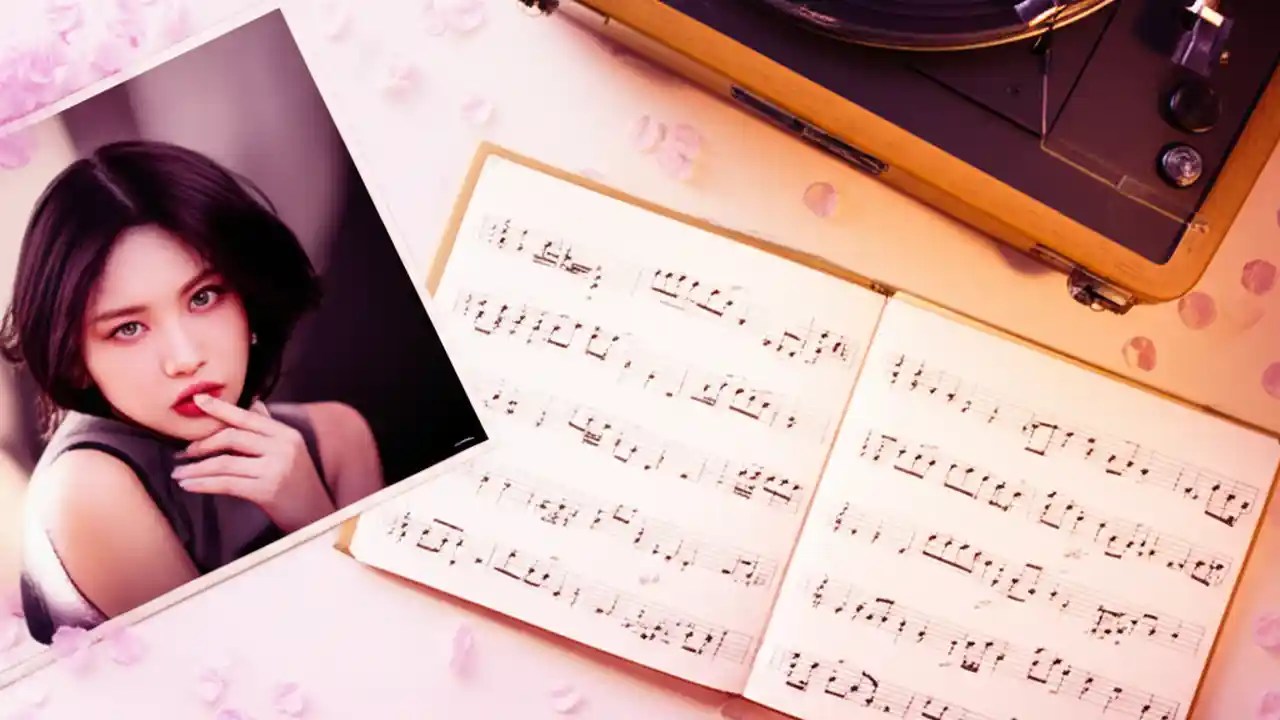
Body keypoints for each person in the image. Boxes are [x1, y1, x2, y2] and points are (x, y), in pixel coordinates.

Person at [0, 140, 385, 644]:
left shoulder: (338, 438)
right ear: (77, 358)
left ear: (248, 297)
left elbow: (397, 633)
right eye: (128, 329)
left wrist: (310, 509)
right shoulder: (87, 488)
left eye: (203, 297)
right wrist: (321, 534)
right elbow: (237, 685)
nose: (184, 357)